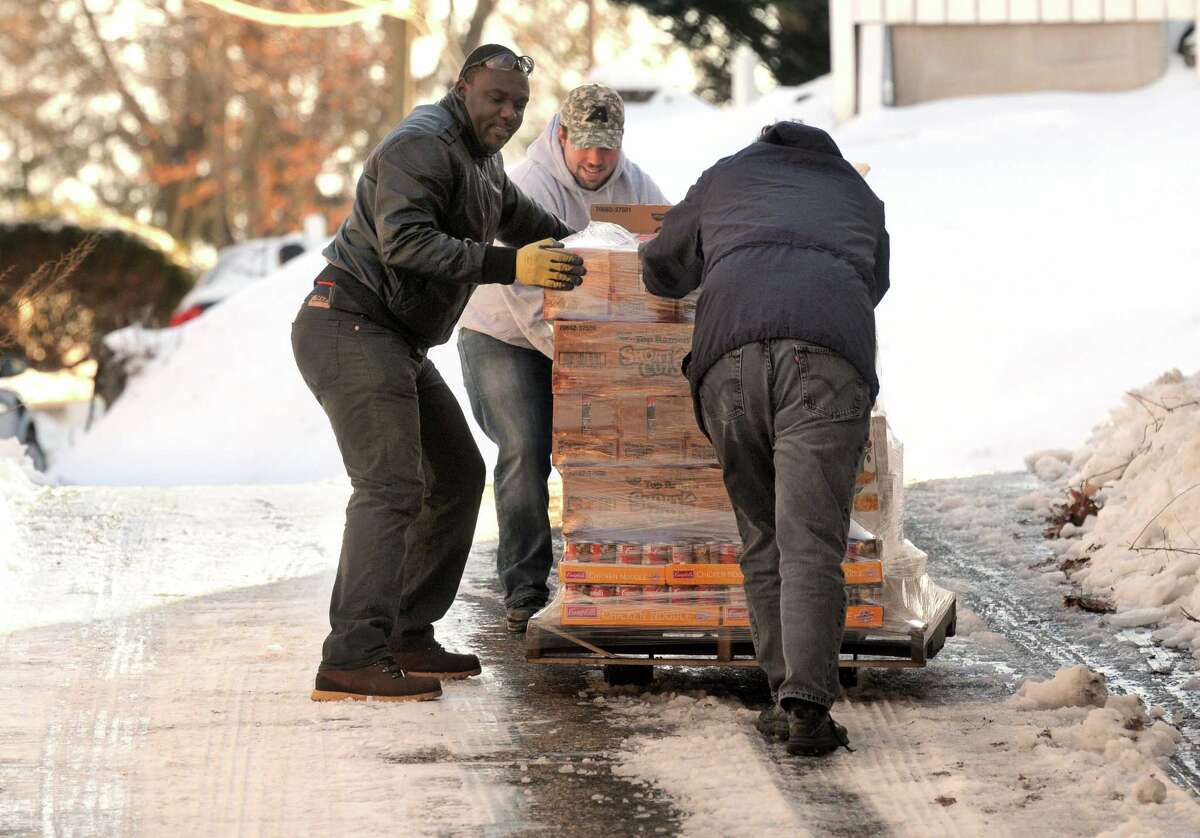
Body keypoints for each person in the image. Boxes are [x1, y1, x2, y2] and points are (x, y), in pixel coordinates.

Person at [290, 44, 585, 702]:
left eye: (519, 104)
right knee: (391, 485)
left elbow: (527, 221)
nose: (508, 113)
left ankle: (404, 633)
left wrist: (597, 251)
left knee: (456, 474)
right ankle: (351, 654)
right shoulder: (421, 145)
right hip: (348, 325)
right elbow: (406, 240)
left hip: (390, 338)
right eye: (496, 99)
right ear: (464, 88)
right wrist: (515, 267)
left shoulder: (480, 161)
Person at [640, 121, 889, 755]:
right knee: (810, 540)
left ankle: (785, 693)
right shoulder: (859, 197)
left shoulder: (724, 175)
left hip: (729, 362)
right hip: (829, 362)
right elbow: (874, 283)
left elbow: (663, 268)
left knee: (763, 535)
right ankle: (806, 706)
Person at [457, 84, 668, 632]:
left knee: (603, 451)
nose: (596, 160)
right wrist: (587, 362)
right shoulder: (528, 185)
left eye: (608, 148)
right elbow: (523, 295)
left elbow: (666, 255)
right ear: (561, 135)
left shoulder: (636, 186)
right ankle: (524, 587)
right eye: (586, 147)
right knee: (527, 446)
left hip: (587, 343)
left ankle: (606, 573)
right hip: (504, 333)